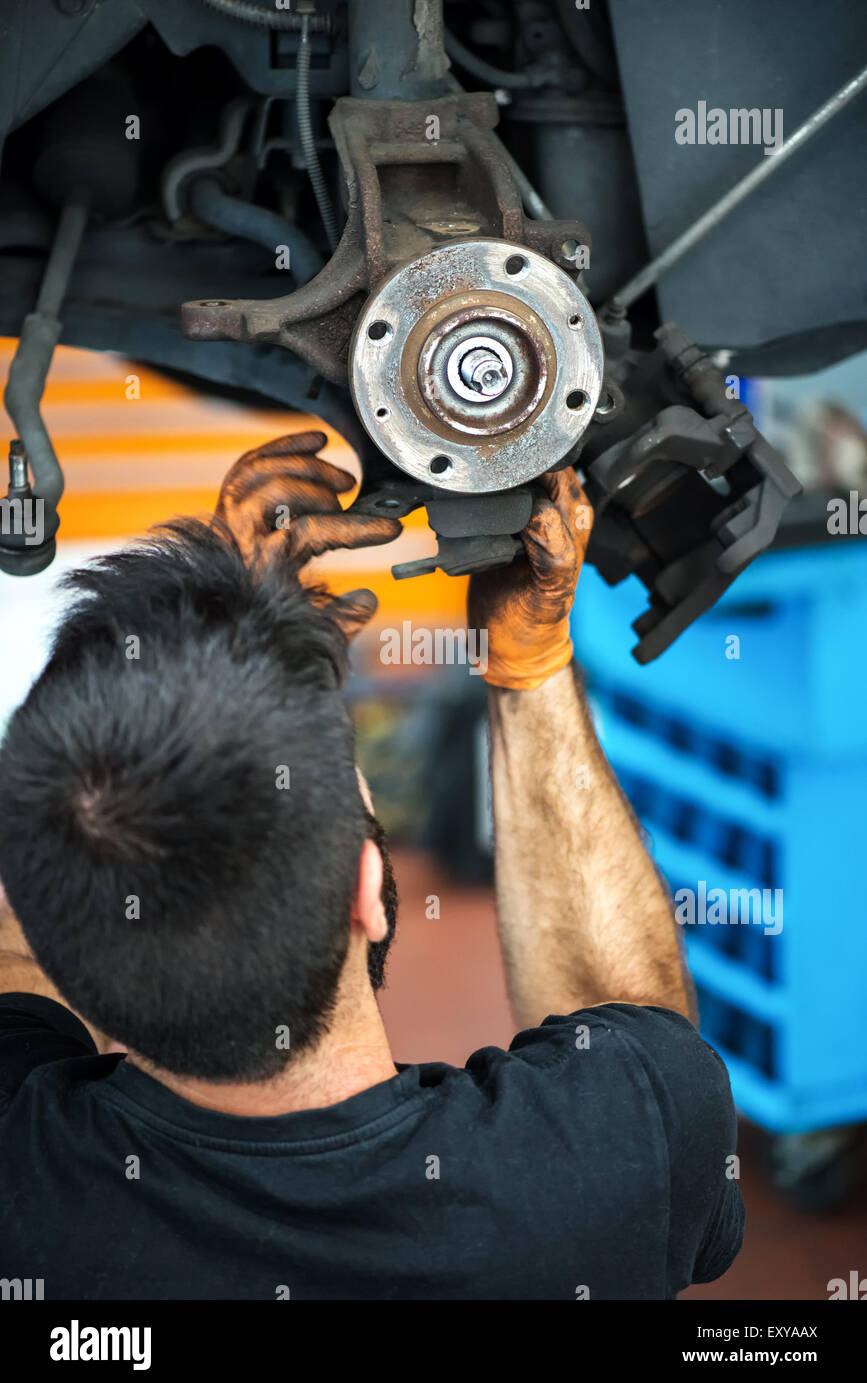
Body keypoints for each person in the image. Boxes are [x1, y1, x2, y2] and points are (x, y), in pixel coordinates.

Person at [0, 431, 743, 1300]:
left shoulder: (26, 1188)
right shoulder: (607, 1165)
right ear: (368, 888)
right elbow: (637, 1033)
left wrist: (183, 648)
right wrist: (529, 668)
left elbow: (32, 933)